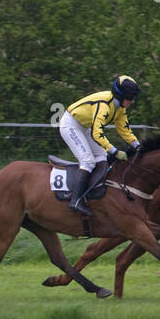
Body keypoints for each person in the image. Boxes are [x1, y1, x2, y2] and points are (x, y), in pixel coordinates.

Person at [59, 74, 143, 217]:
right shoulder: (104, 105)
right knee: (88, 161)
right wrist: (114, 151)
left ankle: (91, 194)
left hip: (85, 127)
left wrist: (137, 145)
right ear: (121, 96)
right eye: (130, 98)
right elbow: (97, 133)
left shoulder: (120, 109)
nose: (133, 101)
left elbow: (124, 129)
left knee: (101, 157)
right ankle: (76, 200)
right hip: (71, 125)